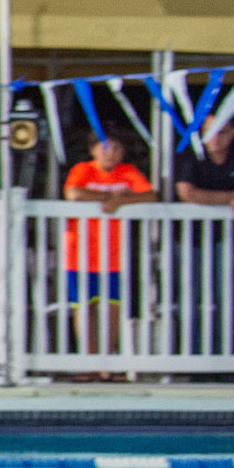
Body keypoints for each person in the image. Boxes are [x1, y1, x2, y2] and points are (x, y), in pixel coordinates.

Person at [61, 125, 156, 376]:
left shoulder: (128, 172)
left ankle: (108, 364)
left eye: (116, 148)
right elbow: (73, 193)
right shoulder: (83, 170)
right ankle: (89, 362)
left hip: (115, 256)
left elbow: (150, 195)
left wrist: (122, 200)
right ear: (93, 150)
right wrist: (109, 197)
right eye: (105, 147)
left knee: (113, 307)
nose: (110, 153)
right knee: (83, 307)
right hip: (79, 254)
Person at [173, 116, 234, 353]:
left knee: (226, 299)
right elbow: (186, 193)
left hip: (223, 239)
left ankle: (223, 357)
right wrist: (230, 198)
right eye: (208, 132)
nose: (214, 138)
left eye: (221, 132)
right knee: (191, 299)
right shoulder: (192, 153)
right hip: (188, 239)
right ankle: (193, 357)